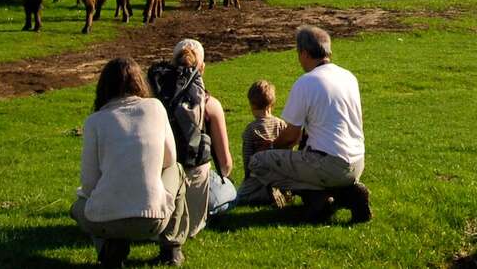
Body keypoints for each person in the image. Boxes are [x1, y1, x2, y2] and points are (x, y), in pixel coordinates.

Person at [70, 57, 190, 267]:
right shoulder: (155, 108)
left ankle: (110, 250)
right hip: (153, 220)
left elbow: (89, 183)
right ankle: (172, 248)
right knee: (177, 169)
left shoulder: (94, 122)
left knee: (78, 207)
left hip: (104, 221)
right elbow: (170, 158)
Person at [249, 25, 371, 223]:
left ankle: (324, 196)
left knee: (258, 162)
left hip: (329, 164)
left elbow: (291, 136)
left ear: (304, 53)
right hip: (357, 162)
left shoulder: (307, 82)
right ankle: (345, 191)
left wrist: (270, 147)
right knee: (307, 161)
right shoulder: (349, 76)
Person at [149, 39, 233, 238]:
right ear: (202, 68)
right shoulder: (210, 105)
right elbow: (226, 164)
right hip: (191, 215)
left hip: (154, 206)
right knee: (229, 191)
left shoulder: (152, 102)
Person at [236, 80, 290, 206]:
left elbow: (247, 156)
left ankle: (265, 194)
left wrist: (247, 177)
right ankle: (281, 192)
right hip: (279, 173)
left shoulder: (251, 129)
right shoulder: (281, 124)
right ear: (272, 104)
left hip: (258, 175)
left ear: (252, 105)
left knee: (239, 197)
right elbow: (287, 149)